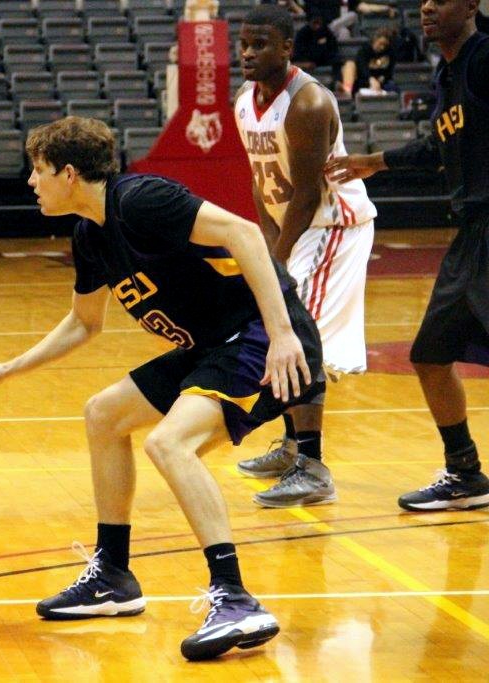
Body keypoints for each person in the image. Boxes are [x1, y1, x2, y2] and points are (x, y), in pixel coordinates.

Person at [0, 117, 325, 661]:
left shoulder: (141, 200)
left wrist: (284, 333)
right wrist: (11, 368)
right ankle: (113, 576)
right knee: (103, 414)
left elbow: (244, 234)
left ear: (70, 173)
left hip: (258, 338)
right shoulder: (90, 234)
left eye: (38, 171)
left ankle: (236, 597)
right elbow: (85, 323)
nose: (31, 183)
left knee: (168, 443)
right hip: (207, 347)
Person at [326, 0, 489, 511]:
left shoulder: (485, 58)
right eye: (423, 0)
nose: (427, 7)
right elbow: (439, 145)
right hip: (471, 235)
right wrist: (376, 161)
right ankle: (464, 472)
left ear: (471, 6)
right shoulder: (450, 73)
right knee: (431, 355)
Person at [233, 5, 377, 507]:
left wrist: (276, 258)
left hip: (334, 227)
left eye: (261, 45)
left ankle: (312, 469)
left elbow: (309, 195)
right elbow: (259, 179)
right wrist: (266, 242)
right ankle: (294, 448)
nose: (249, 53)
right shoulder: (244, 102)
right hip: (297, 227)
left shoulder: (308, 103)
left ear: (287, 48)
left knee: (297, 334)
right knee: (284, 332)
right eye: (244, 44)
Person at [342, 27, 400, 95]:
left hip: (380, 83)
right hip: (363, 81)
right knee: (349, 64)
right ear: (375, 39)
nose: (382, 47)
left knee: (393, 87)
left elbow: (389, 72)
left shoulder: (390, 52)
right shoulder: (364, 50)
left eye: (385, 45)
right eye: (380, 43)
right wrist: (371, 80)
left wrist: (381, 80)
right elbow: (362, 68)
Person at [293, 13, 345, 85]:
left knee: (337, 60)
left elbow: (333, 48)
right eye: (315, 23)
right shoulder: (302, 33)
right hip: (308, 59)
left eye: (319, 23)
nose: (317, 26)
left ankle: (338, 83)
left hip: (323, 58)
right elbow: (297, 55)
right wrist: (304, 63)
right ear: (310, 22)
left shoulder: (326, 31)